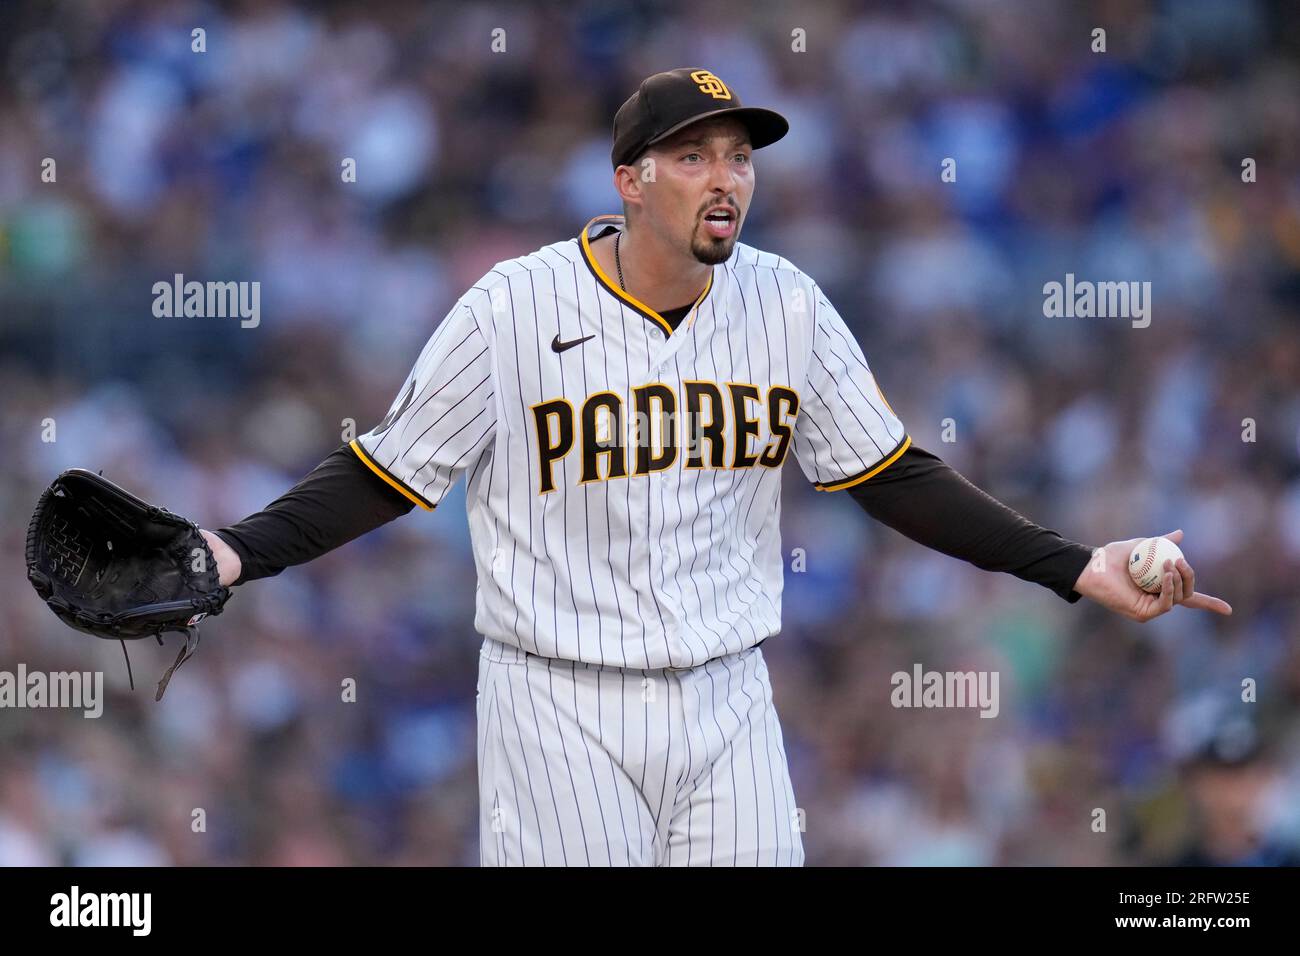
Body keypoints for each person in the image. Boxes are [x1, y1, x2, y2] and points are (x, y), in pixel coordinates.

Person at [199, 68, 1231, 866]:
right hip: (557, 697)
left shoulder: (783, 301)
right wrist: (235, 553)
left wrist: (1073, 563)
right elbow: (387, 472)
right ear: (630, 179)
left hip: (726, 692)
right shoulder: (513, 306)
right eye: (693, 156)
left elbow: (890, 472)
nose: (727, 176)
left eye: (739, 156)